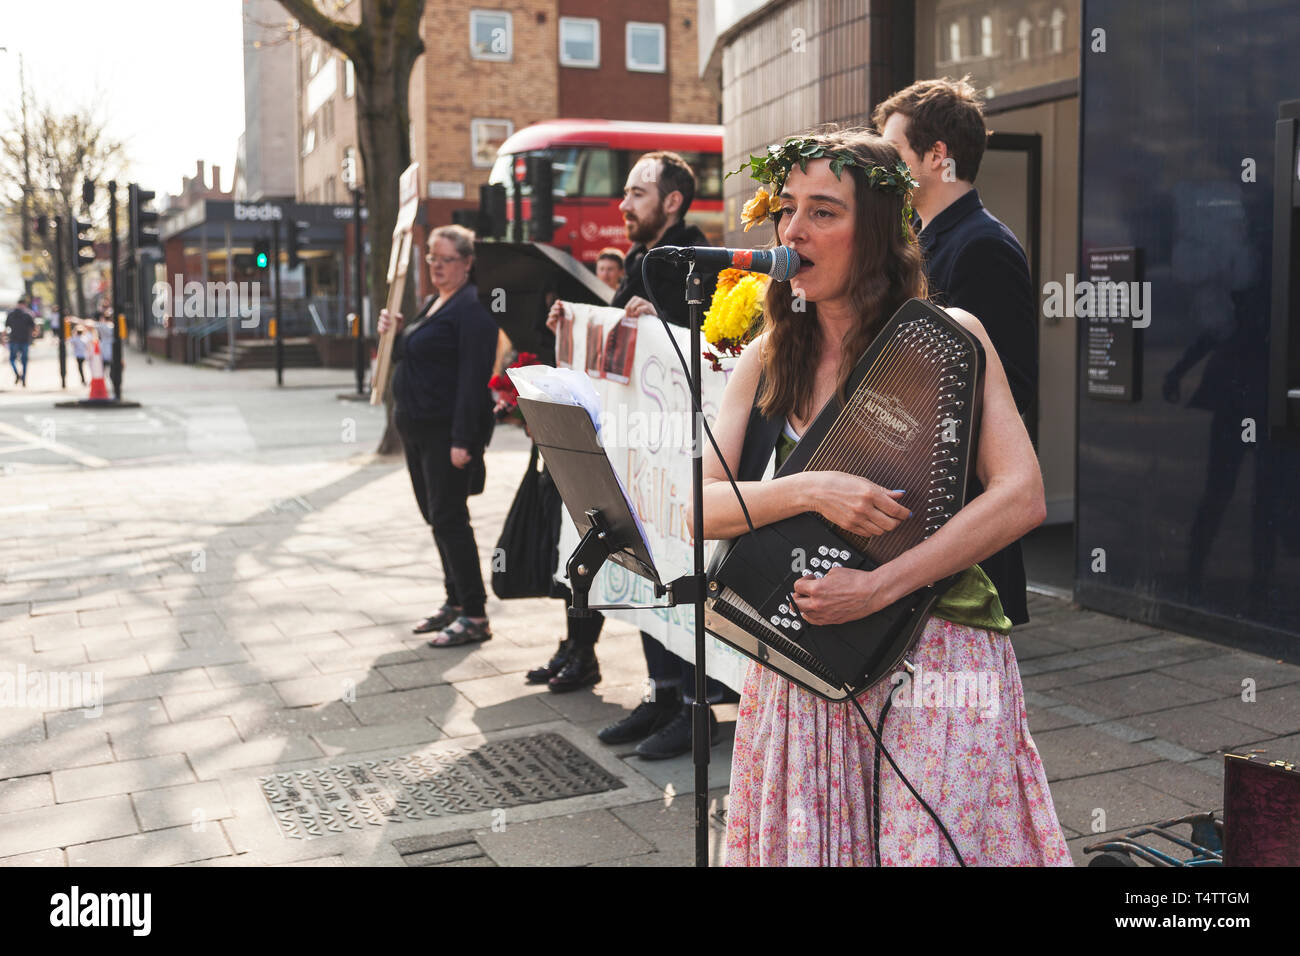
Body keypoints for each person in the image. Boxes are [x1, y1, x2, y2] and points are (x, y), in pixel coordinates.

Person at [702, 128, 1070, 866]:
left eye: (824, 212)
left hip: (938, 651)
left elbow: (1021, 495)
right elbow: (695, 505)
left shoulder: (948, 337)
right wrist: (811, 487)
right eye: (787, 209)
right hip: (807, 656)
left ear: (879, 232)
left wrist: (877, 588)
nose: (794, 230)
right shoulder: (770, 354)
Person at [542, 150, 727, 758]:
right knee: (649, 576)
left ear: (673, 201)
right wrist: (576, 325)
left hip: (679, 458)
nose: (623, 205)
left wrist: (662, 320)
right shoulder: (643, 262)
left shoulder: (694, 259)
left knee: (680, 573)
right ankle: (661, 695)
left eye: (637, 195)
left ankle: (697, 708)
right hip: (639, 455)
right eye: (624, 194)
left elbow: (716, 350)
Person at [874, 77, 1038, 627]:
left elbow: (1005, 388)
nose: (881, 165)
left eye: (893, 151)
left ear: (936, 155)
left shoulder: (983, 246)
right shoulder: (919, 239)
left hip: (955, 510)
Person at [378, 224, 499, 646]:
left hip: (446, 433)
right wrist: (393, 332)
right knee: (436, 518)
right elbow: (412, 357)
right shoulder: (433, 302)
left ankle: (476, 614)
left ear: (467, 263)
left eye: (446, 260)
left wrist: (464, 441)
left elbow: (473, 380)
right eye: (431, 258)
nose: (437, 267)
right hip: (416, 428)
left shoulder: (473, 309)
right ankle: (456, 603)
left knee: (450, 520)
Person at [5, 296, 36, 386]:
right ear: (24, 304)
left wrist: (4, 338)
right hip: (24, 340)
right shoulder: (28, 314)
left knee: (12, 359)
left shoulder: (10, 314)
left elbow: (7, 327)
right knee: (24, 361)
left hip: (13, 340)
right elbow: (34, 329)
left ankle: (17, 374)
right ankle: (23, 379)